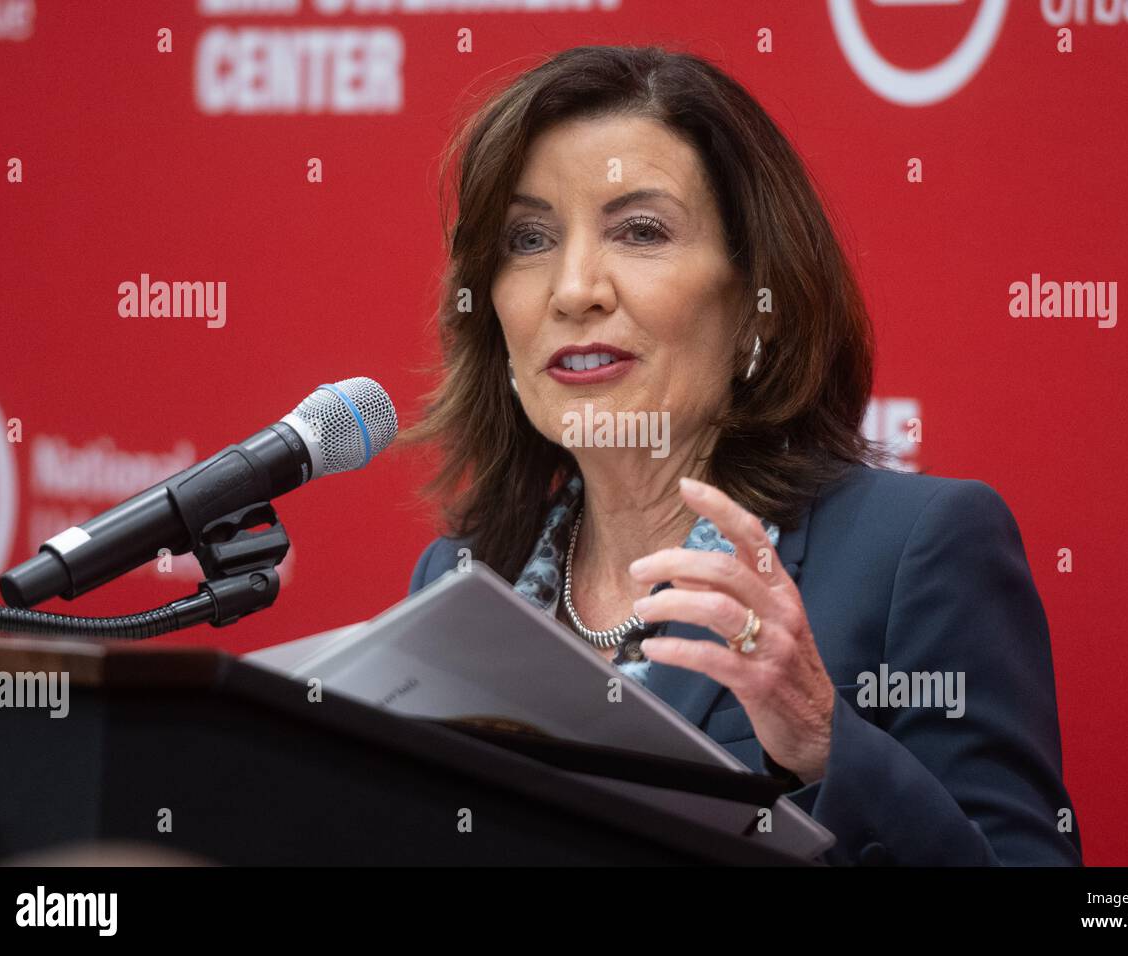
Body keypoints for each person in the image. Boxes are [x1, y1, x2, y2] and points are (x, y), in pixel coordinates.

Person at [401, 45, 1082, 866]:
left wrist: (825, 743)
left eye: (640, 231)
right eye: (530, 237)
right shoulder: (459, 582)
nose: (574, 287)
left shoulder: (915, 551)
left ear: (758, 300)